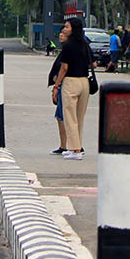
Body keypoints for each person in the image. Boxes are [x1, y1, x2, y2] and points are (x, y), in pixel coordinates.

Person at [51, 16, 93, 160]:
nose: (64, 29)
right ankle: (77, 148)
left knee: (69, 117)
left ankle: (74, 150)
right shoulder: (85, 44)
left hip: (71, 82)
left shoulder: (68, 46)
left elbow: (64, 68)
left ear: (73, 29)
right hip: (84, 83)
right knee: (80, 117)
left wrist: (56, 85)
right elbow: (92, 64)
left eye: (67, 27)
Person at [47, 24, 71, 155]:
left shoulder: (68, 50)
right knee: (62, 116)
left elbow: (64, 68)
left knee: (63, 116)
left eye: (64, 33)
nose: (61, 35)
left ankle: (68, 145)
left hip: (65, 85)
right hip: (62, 85)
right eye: (61, 33)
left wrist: (57, 85)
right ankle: (66, 145)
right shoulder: (65, 50)